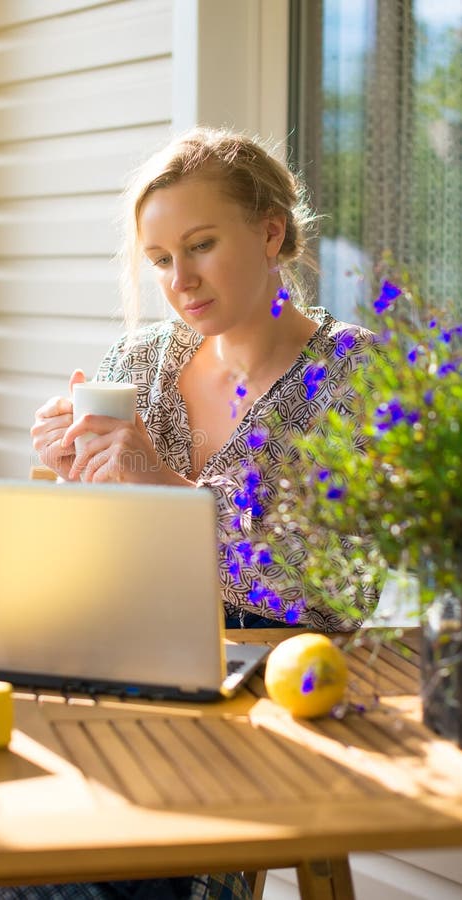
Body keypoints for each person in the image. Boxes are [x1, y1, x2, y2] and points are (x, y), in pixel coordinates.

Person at [31, 125, 378, 634]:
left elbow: (343, 595)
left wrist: (163, 486)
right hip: (126, 653)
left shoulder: (355, 372)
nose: (180, 281)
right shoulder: (138, 363)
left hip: (286, 682)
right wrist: (71, 472)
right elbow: (92, 561)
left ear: (270, 232)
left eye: (201, 245)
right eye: (162, 260)